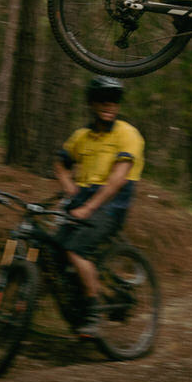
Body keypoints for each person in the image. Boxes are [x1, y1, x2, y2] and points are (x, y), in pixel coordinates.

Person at [52, 75, 146, 336]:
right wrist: (68, 187)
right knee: (54, 250)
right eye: (103, 99)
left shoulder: (128, 134)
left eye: (114, 100)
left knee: (76, 250)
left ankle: (93, 313)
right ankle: (80, 302)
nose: (109, 105)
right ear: (92, 103)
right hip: (82, 203)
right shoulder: (82, 136)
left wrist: (88, 208)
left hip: (110, 207)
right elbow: (61, 163)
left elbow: (117, 180)